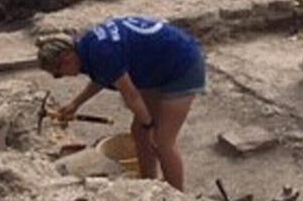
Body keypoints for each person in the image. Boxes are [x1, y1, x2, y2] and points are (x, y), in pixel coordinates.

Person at [36, 16, 205, 192]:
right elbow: (105, 74)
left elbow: (132, 95)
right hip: (156, 67)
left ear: (66, 59)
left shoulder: (101, 52)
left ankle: (176, 194)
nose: (64, 77)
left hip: (182, 66)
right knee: (139, 132)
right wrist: (76, 103)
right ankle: (149, 184)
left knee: (163, 141)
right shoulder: (87, 45)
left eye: (59, 74)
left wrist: (149, 124)